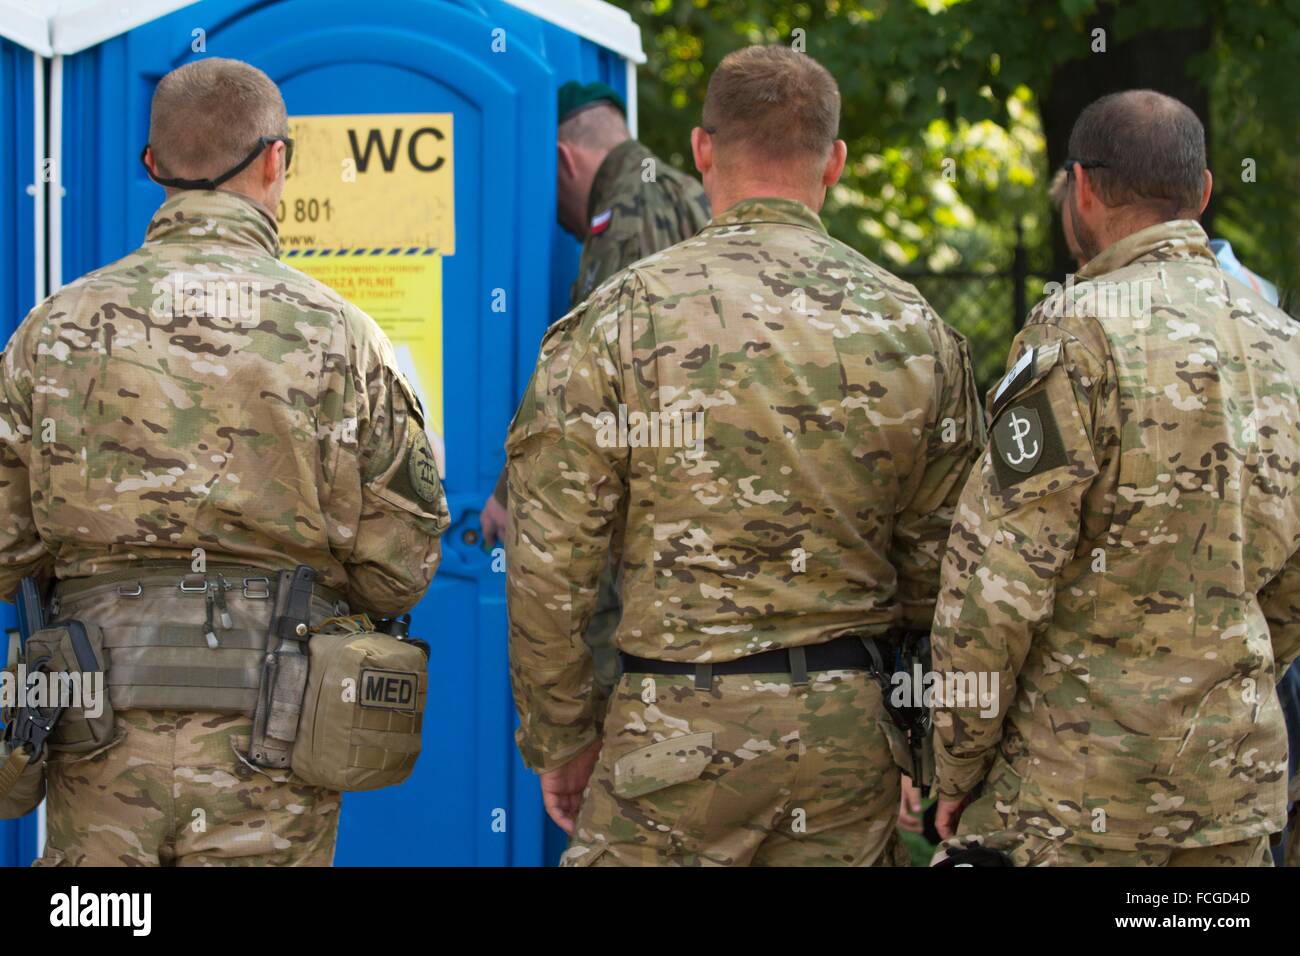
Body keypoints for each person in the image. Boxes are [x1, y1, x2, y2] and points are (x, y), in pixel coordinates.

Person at [505, 44, 982, 866]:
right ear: (833, 161)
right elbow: (952, 570)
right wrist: (937, 744)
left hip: (672, 733)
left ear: (700, 150)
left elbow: (550, 564)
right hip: (848, 738)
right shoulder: (915, 331)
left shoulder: (619, 319)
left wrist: (562, 734)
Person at [0, 57, 449, 866]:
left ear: (153, 169)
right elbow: (402, 567)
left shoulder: (51, 330)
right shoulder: (342, 336)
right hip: (272, 742)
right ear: (277, 160)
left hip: (94, 737)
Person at [930, 89, 1300, 867]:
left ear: (1083, 190)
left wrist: (956, 762)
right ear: (1200, 194)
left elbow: (998, 582)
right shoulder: (1285, 344)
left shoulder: (1076, 332)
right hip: (1228, 798)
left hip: (1075, 796)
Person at [480, 81, 710, 722]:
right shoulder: (694, 192)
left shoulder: (621, 217)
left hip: (642, 528)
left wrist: (509, 487)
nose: (560, 215)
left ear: (564, 159)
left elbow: (595, 372)